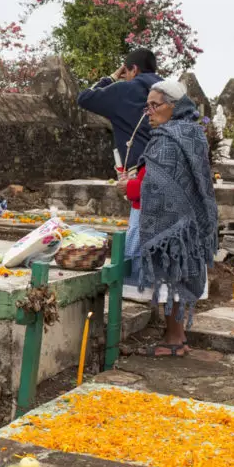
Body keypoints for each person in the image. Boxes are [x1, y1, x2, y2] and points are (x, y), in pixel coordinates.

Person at [137, 79, 218, 357]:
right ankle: (178, 337)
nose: (149, 111)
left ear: (173, 106)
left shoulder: (167, 140)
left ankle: (173, 340)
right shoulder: (192, 133)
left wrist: (131, 188)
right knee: (179, 276)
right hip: (190, 221)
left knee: (171, 275)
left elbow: (157, 185)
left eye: (155, 105)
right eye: (146, 105)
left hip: (172, 223)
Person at [77, 48, 162, 299]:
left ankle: (134, 290)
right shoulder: (168, 91)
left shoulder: (127, 89)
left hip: (142, 173)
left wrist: (113, 77)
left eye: (126, 72)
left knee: (138, 230)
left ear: (132, 69)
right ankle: (153, 285)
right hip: (170, 169)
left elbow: (85, 98)